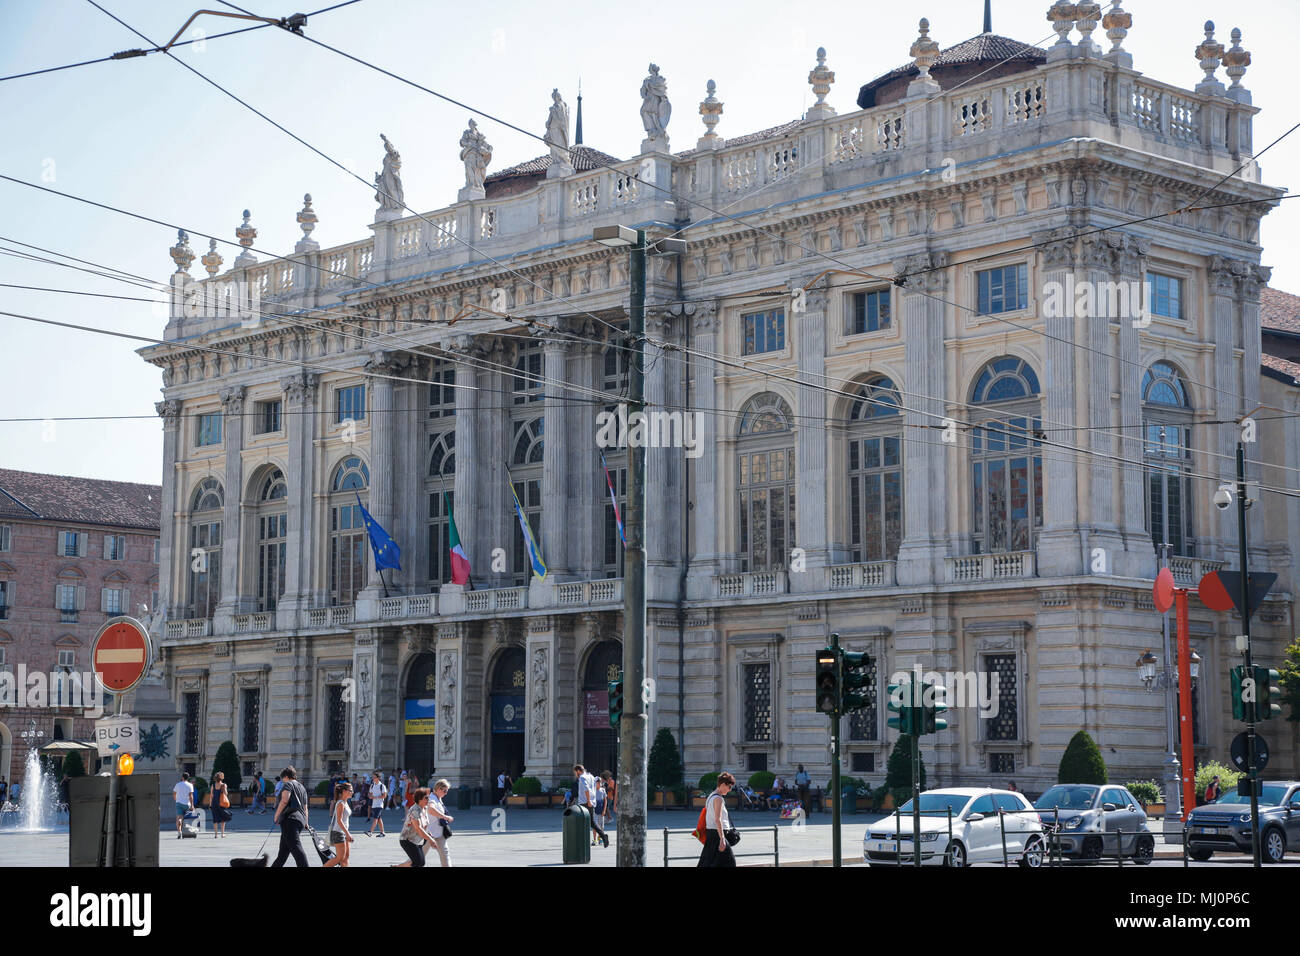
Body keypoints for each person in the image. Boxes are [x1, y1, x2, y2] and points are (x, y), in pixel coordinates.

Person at [271, 766, 311, 867]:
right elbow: (305, 807)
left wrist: (276, 816)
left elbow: (284, 800)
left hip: (290, 820)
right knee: (283, 854)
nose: (282, 781)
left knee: (296, 849)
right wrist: (306, 822)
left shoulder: (288, 784)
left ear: (285, 776)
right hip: (300, 820)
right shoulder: (302, 787)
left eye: (282, 778)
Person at [698, 771, 736, 867]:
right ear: (723, 785)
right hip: (717, 834)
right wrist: (722, 838)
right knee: (730, 863)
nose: (729, 789)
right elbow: (717, 819)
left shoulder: (711, 796)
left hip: (712, 833)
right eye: (729, 787)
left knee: (709, 862)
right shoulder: (718, 799)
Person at [395, 787, 435, 867]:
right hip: (407, 840)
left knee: (420, 862)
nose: (428, 799)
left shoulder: (424, 808)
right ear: (419, 799)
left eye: (429, 797)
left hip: (417, 840)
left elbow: (424, 825)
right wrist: (430, 839)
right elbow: (418, 828)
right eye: (426, 798)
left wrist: (429, 833)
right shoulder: (415, 810)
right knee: (418, 862)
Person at [574, 764, 608, 848]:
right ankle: (603, 836)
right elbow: (593, 789)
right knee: (592, 823)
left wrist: (588, 801)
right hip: (591, 802)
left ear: (578, 771)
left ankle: (581, 841)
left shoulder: (582, 777)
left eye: (575, 772)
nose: (575, 774)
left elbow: (586, 789)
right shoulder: (591, 776)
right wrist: (592, 801)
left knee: (582, 822)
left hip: (585, 802)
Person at [324, 780, 354, 867]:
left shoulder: (345, 802)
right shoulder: (340, 803)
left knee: (345, 858)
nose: (352, 792)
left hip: (344, 832)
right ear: (344, 791)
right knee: (339, 858)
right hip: (338, 832)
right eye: (350, 790)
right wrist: (347, 834)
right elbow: (339, 820)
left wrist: (347, 833)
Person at [426, 779, 454, 867]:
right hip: (428, 834)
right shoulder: (432, 798)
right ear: (438, 789)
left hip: (439, 832)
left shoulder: (438, 798)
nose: (446, 793)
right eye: (444, 791)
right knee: (418, 858)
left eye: (447, 791)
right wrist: (444, 817)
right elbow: (430, 809)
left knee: (445, 853)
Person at [173, 772, 195, 839]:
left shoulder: (178, 784)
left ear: (182, 777)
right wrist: (192, 805)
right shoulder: (190, 785)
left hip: (179, 803)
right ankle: (188, 832)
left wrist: (176, 800)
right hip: (187, 804)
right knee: (188, 819)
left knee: (179, 818)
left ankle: (179, 831)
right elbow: (191, 796)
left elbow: (174, 793)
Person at [210, 771, 232, 838]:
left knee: (215, 819)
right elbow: (226, 794)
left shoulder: (213, 785)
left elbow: (211, 795)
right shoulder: (223, 785)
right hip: (221, 803)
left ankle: (216, 834)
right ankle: (222, 834)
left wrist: (210, 804)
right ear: (221, 778)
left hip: (214, 803)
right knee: (223, 819)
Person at [367, 770, 388, 837]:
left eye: (374, 777)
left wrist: (375, 797)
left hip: (379, 805)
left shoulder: (382, 786)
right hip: (374, 805)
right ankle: (382, 832)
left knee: (375, 818)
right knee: (379, 819)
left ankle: (370, 832)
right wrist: (370, 796)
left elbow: (384, 795)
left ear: (378, 778)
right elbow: (369, 794)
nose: (373, 779)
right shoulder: (372, 785)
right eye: (372, 777)